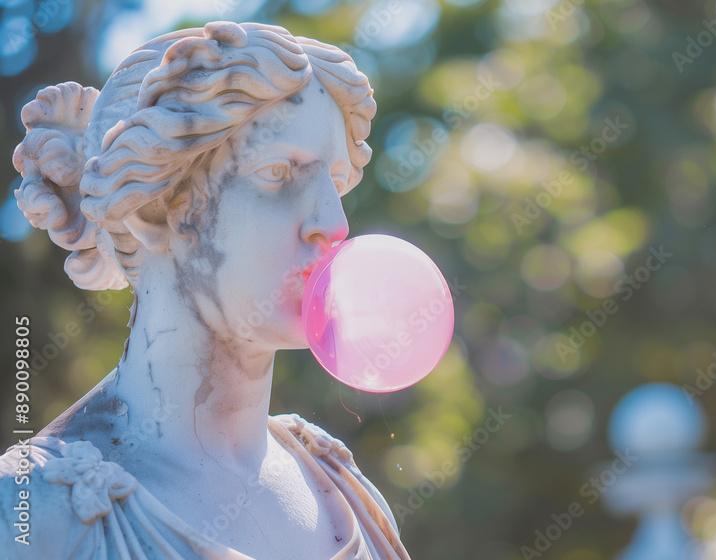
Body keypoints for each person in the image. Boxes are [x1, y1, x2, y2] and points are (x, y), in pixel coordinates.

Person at [0, 21, 409, 560]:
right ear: (154, 209)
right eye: (279, 172)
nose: (333, 225)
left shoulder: (346, 489)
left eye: (334, 183)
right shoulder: (31, 511)